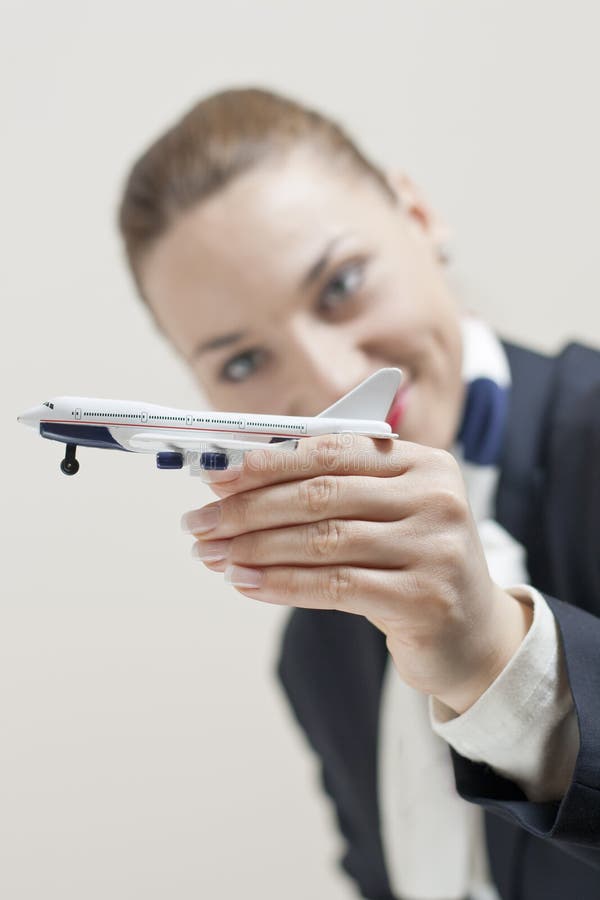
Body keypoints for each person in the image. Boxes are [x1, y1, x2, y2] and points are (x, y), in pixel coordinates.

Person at [117, 87, 600, 900]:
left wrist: (501, 660)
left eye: (340, 285)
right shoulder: (317, 650)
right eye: (240, 363)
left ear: (417, 214)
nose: (331, 381)